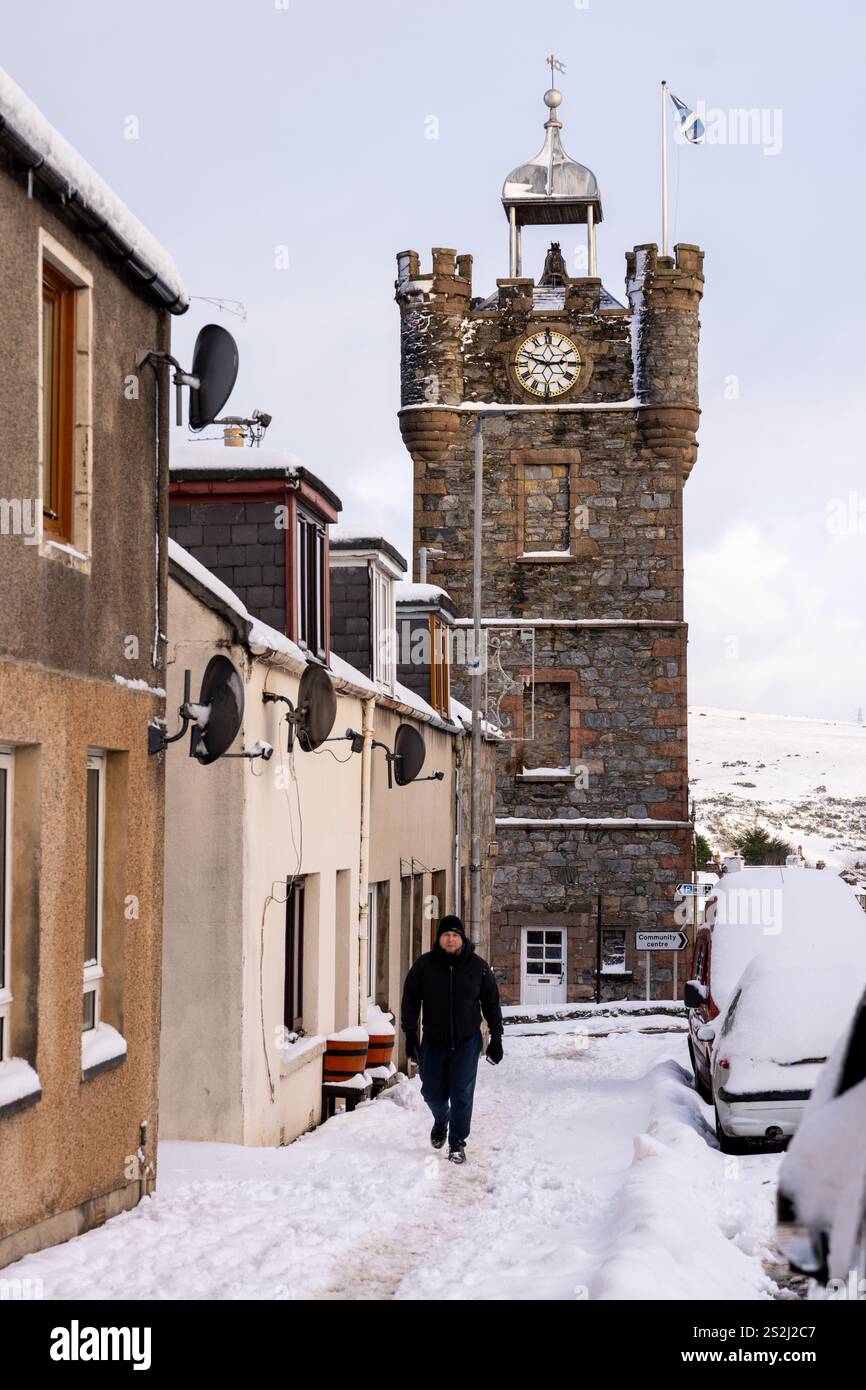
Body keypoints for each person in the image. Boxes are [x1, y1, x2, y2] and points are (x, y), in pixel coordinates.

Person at [400, 913, 503, 1164]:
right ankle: (441, 1118)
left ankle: (457, 1143)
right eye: (445, 935)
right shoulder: (424, 966)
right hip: (434, 1042)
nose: (450, 939)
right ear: (439, 939)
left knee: (461, 1093)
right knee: (432, 1093)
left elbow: (491, 1003)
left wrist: (497, 1037)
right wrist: (410, 1034)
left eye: (454, 935)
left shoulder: (478, 967)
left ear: (462, 938)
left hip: (467, 1043)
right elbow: (411, 999)